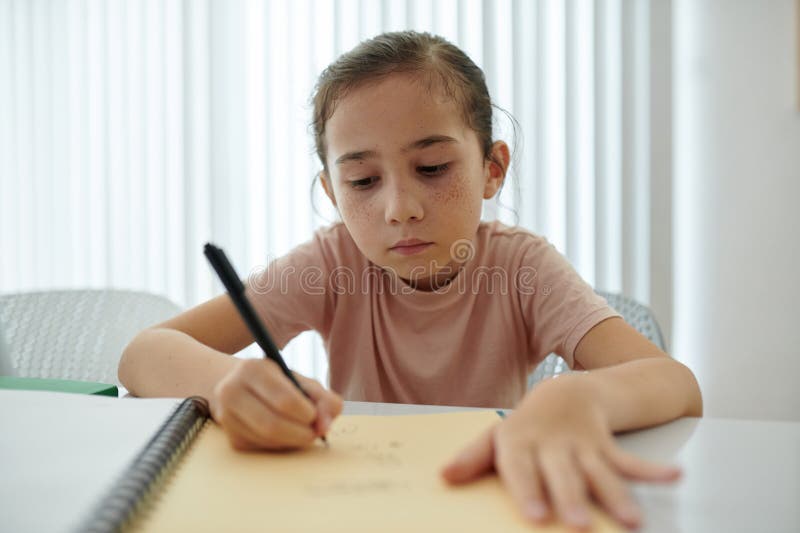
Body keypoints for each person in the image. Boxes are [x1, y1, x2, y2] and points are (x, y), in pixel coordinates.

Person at [119, 31, 702, 530]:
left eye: (431, 169)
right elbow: (144, 354)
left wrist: (576, 394)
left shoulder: (522, 268)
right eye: (364, 181)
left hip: (487, 505)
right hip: (356, 507)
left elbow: (674, 384)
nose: (400, 207)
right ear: (331, 193)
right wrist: (228, 385)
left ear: (491, 169)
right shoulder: (331, 263)